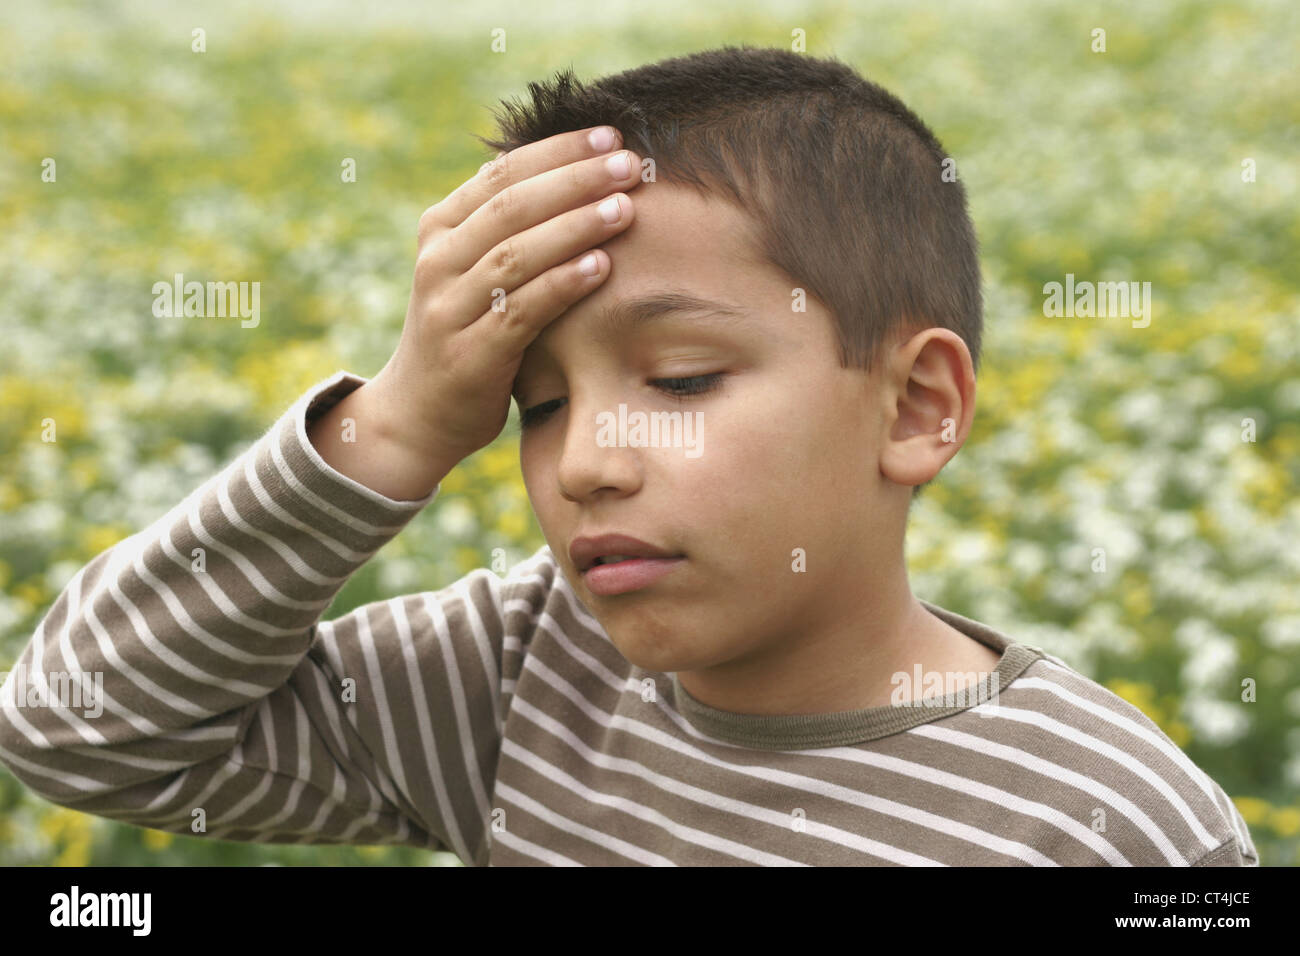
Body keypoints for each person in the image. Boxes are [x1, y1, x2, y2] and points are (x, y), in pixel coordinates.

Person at [0, 47, 1257, 865]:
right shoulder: (515, 677)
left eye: (684, 378)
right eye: (532, 404)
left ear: (915, 405)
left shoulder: (1112, 821)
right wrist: (393, 425)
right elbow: (78, 730)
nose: (588, 461)